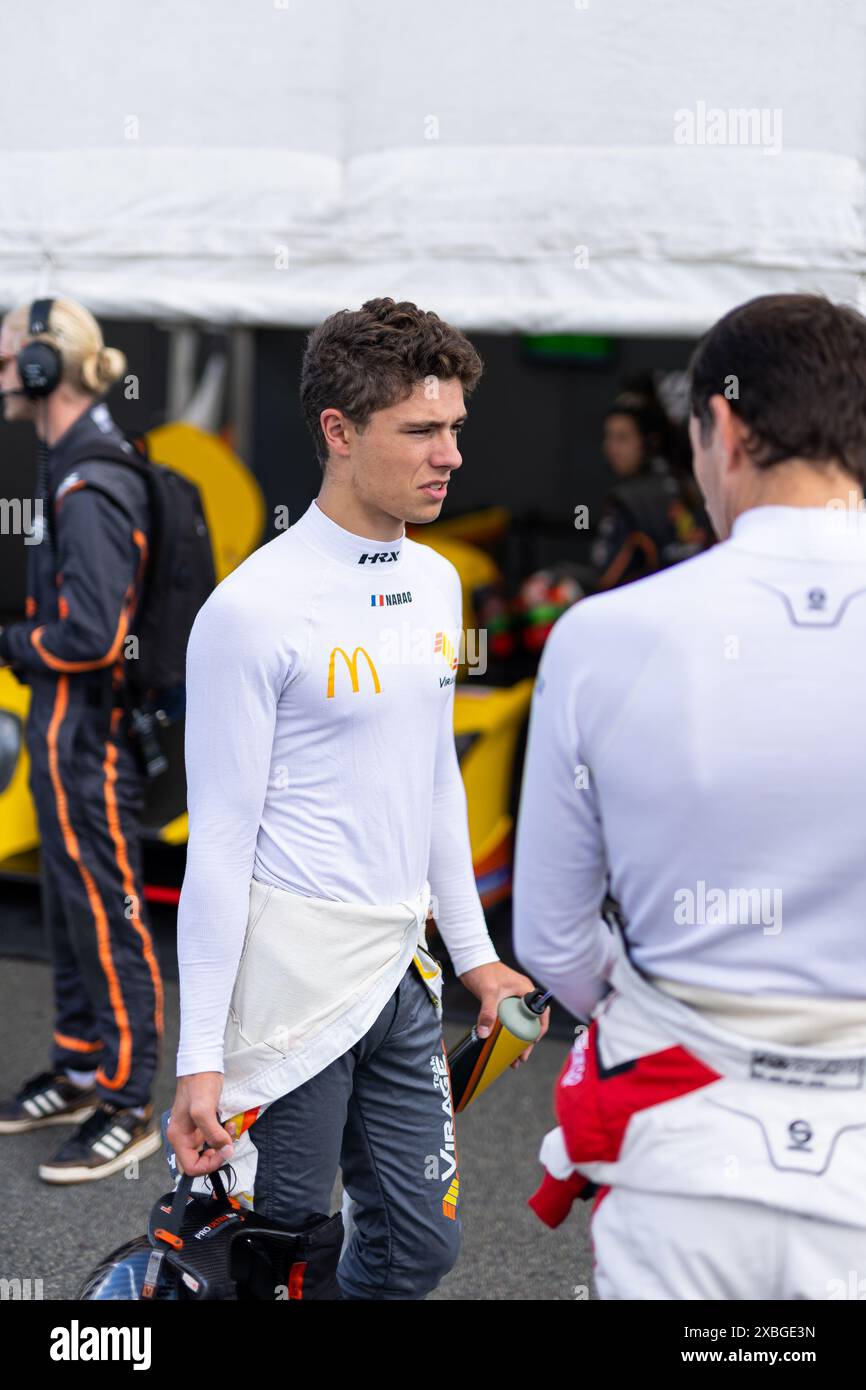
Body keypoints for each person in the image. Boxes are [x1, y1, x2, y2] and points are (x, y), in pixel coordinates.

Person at [167, 297, 549, 1300]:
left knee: (418, 1249)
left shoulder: (432, 585)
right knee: (271, 1247)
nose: (450, 455)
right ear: (338, 432)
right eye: (420, 430)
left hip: (399, 970)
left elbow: (431, 780)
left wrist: (475, 958)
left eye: (454, 427)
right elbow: (218, 846)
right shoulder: (250, 610)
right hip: (287, 984)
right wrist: (196, 1061)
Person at [513, 292, 866, 1300]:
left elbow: (549, 936)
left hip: (679, 1154)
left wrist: (665, 1004)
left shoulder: (603, 636)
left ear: (721, 427)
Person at [0, 298, 164, 1181]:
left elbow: (92, 634)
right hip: (62, 725)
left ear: (39, 368)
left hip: (87, 727)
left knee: (107, 905)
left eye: (5, 358)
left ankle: (130, 1099)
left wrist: (9, 642)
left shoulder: (88, 480)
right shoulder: (71, 462)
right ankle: (77, 1065)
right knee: (68, 900)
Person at [590, 389, 710, 589]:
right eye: (609, 437)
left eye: (622, 439)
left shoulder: (626, 501)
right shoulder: (695, 489)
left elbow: (604, 580)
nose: (611, 448)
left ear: (650, 441)